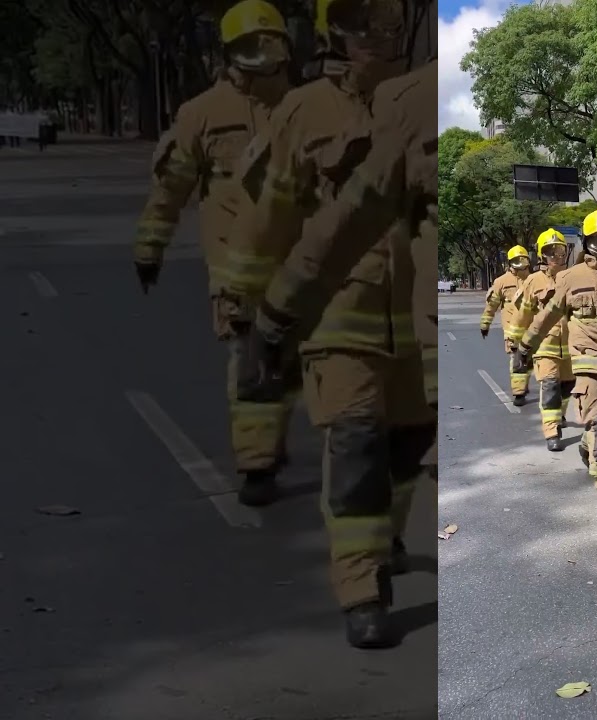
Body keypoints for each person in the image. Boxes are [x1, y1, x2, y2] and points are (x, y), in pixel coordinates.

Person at [222, 0, 427, 650]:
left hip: (413, 320)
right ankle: (362, 589)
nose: (380, 37)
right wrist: (247, 307)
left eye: (390, 23)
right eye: (363, 23)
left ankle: (383, 540)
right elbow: (266, 220)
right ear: (332, 31)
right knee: (357, 445)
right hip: (337, 314)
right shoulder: (302, 112)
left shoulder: (421, 101)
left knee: (406, 445)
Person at [132, 0, 294, 507]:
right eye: (252, 47)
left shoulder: (303, 107)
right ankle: (257, 465)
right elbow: (170, 187)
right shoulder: (201, 114)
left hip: (307, 262)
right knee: (250, 363)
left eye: (271, 44)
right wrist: (150, 246)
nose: (263, 57)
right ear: (229, 54)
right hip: (238, 268)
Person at [515, 210, 597, 518]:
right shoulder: (570, 279)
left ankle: (587, 446)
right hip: (588, 365)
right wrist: (524, 345)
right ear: (588, 241)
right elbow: (547, 316)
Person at [511, 229, 575, 451]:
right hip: (544, 346)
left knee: (567, 386)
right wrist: (517, 346)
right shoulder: (532, 281)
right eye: (551, 252)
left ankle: (560, 416)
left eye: (561, 251)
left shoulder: (573, 277)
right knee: (550, 386)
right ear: (541, 256)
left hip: (571, 347)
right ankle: (552, 431)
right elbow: (522, 316)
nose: (557, 256)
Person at [480, 246, 533, 405]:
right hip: (513, 329)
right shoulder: (501, 282)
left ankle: (523, 385)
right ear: (510, 263)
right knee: (517, 359)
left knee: (532, 361)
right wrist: (485, 323)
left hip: (534, 329)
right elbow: (492, 305)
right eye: (516, 261)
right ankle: (519, 393)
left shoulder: (534, 279)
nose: (520, 264)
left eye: (523, 260)